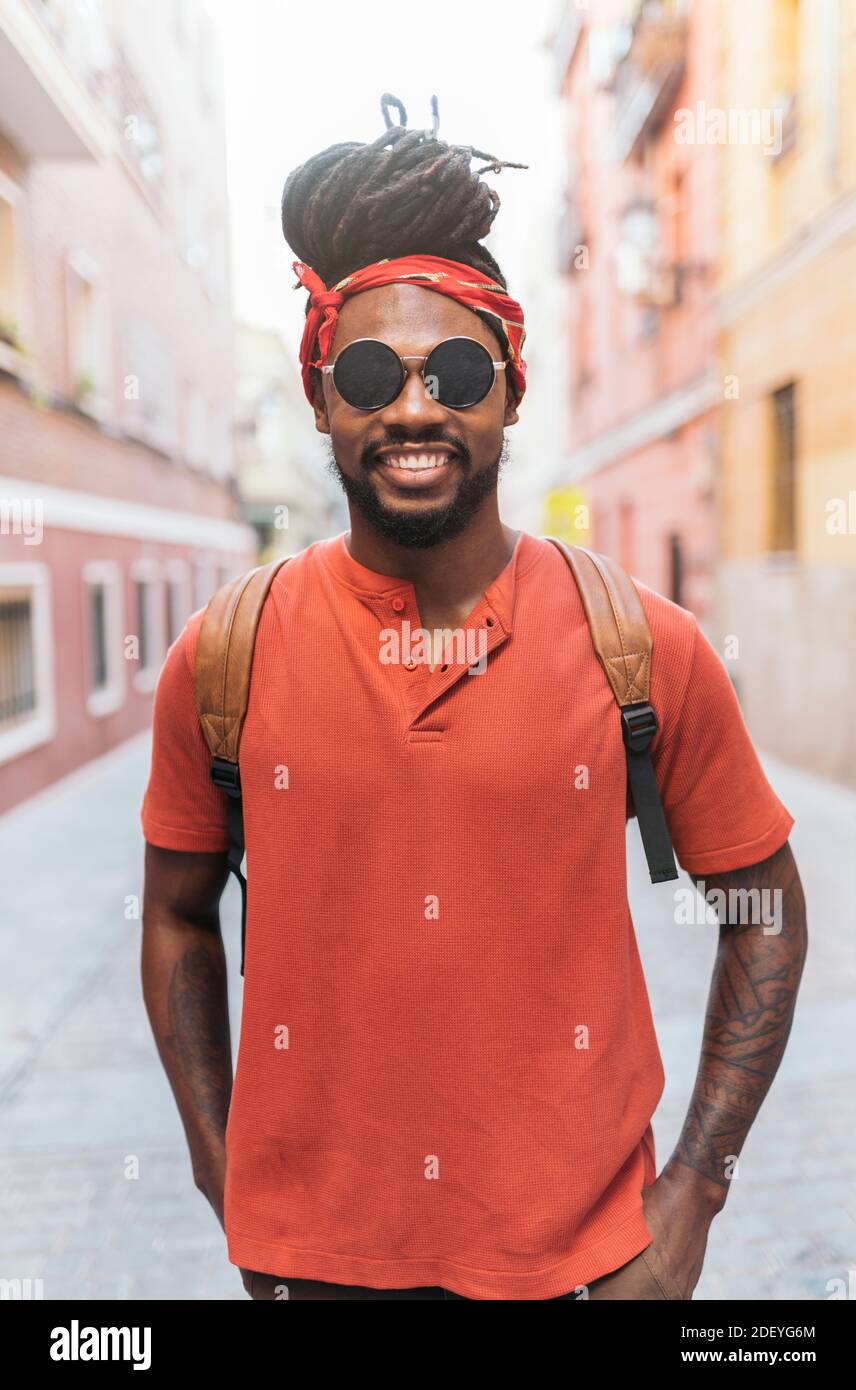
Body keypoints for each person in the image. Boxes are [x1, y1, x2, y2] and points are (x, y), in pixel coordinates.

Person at [140, 96, 807, 1301]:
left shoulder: (642, 648)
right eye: (365, 373)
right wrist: (218, 1162)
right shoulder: (221, 656)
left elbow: (761, 902)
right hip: (309, 1269)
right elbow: (177, 915)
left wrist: (694, 1188)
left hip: (588, 1266)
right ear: (318, 398)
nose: (411, 407)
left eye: (453, 369)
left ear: (507, 389)